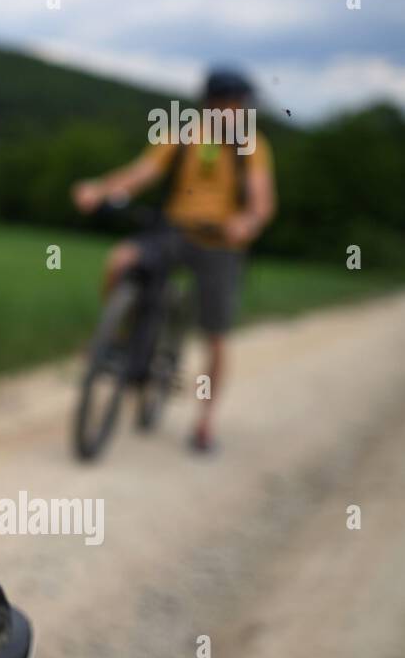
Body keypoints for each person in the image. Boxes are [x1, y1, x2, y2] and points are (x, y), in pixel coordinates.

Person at [71, 68, 277, 453]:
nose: (239, 113)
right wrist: (99, 189)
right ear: (215, 104)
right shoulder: (184, 135)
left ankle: (204, 423)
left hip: (220, 243)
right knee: (121, 259)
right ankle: (115, 341)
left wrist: (246, 222)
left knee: (215, 335)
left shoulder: (252, 146)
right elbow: (141, 173)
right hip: (174, 231)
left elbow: (261, 202)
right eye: (234, 105)